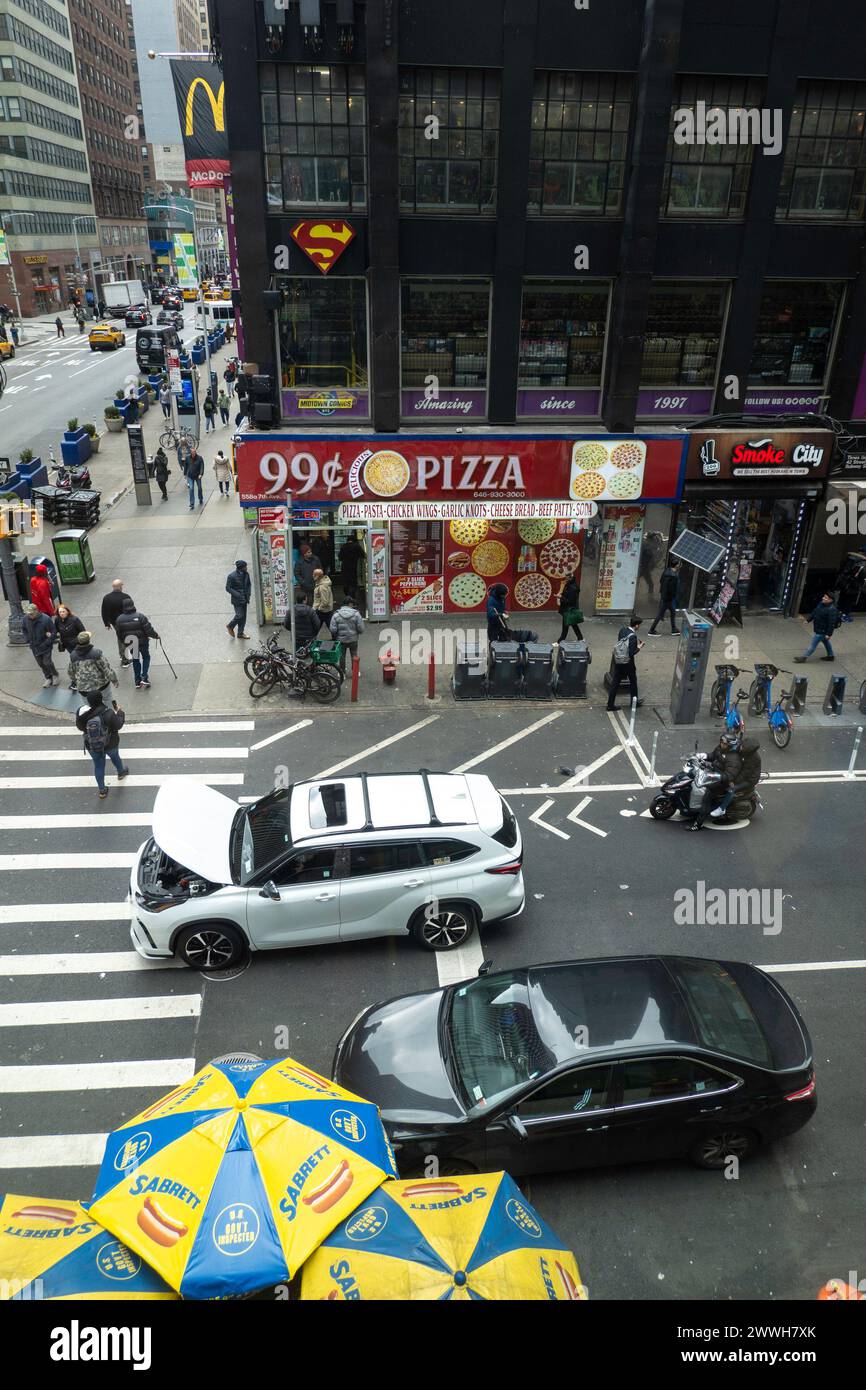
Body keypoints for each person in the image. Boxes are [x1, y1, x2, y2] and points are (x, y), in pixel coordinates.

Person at [688, 730, 756, 832]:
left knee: (706, 798)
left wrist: (714, 776)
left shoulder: (734, 759)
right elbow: (713, 755)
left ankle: (698, 824)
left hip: (720, 782)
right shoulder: (721, 748)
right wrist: (703, 756)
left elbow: (729, 776)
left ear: (729, 745)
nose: (721, 744)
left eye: (724, 743)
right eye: (721, 741)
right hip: (712, 772)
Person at [75, 688, 128, 799]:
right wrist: (120, 712)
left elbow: (80, 727)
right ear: (101, 698)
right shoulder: (108, 713)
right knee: (115, 757)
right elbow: (118, 725)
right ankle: (121, 772)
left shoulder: (82, 713)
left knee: (98, 765)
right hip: (110, 743)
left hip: (92, 745)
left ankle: (102, 790)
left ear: (88, 701)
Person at [116, 595, 159, 690]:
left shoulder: (119, 619)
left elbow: (119, 634)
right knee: (146, 657)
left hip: (131, 644)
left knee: (135, 660)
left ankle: (137, 681)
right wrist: (156, 636)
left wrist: (125, 643)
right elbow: (148, 630)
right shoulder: (140, 616)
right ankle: (144, 676)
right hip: (143, 642)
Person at [606, 615, 644, 711]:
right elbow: (631, 653)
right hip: (628, 664)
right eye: (639, 625)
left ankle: (610, 704)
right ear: (636, 625)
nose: (639, 627)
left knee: (615, 683)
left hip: (618, 660)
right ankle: (634, 702)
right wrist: (639, 647)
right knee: (633, 682)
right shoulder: (633, 637)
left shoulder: (622, 630)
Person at [70, 630, 117, 698]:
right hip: (100, 686)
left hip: (83, 689)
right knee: (107, 701)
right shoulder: (96, 653)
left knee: (89, 706)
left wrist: (78, 682)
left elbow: (71, 673)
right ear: (88, 640)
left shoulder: (73, 655)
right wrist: (114, 680)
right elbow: (106, 668)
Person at [794, 593, 839, 663]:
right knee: (826, 642)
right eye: (824, 596)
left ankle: (803, 657)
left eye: (826, 598)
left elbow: (831, 624)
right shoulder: (821, 604)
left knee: (813, 644)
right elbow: (815, 612)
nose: (823, 598)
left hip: (822, 630)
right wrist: (808, 620)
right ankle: (831, 656)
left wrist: (829, 634)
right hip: (819, 627)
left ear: (830, 600)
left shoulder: (832, 610)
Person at [22, 603, 58, 687]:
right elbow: (24, 629)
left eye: (31, 614)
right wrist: (27, 639)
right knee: (41, 663)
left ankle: (55, 675)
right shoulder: (25, 619)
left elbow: (54, 632)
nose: (29, 615)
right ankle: (48, 678)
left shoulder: (46, 619)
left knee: (47, 662)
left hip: (45, 645)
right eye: (28, 614)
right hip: (34, 646)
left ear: (36, 611)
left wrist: (47, 642)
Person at [101, 578, 134, 667]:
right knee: (124, 639)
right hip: (125, 622)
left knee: (120, 638)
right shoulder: (126, 597)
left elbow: (104, 611)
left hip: (115, 623)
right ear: (120, 586)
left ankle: (121, 655)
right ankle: (125, 660)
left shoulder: (107, 598)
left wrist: (106, 623)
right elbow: (131, 610)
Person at [330, 596, 364, 673]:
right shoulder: (356, 614)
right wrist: (357, 632)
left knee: (342, 656)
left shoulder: (336, 615)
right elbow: (361, 629)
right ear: (350, 604)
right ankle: (355, 671)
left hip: (341, 639)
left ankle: (342, 672)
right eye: (352, 604)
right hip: (353, 639)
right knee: (354, 655)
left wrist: (337, 634)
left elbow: (333, 630)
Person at [55, 602, 85, 688]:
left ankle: (75, 682)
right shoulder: (57, 620)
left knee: (75, 661)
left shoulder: (74, 619)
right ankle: (78, 679)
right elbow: (56, 630)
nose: (62, 613)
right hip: (67, 645)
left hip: (77, 645)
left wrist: (78, 641)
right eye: (60, 612)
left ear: (67, 611)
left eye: (63, 611)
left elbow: (83, 631)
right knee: (77, 661)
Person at [648, 558, 681, 635]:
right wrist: (671, 597)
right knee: (660, 614)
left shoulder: (666, 571)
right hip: (668, 598)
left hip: (664, 596)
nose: (680, 565)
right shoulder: (674, 576)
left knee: (672, 612)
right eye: (679, 564)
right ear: (677, 565)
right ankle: (651, 630)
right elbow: (672, 589)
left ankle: (673, 629)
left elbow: (661, 581)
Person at [226, 558, 251, 640]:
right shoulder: (231, 576)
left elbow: (248, 585)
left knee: (243, 617)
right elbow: (228, 588)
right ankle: (230, 626)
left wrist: (248, 594)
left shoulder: (246, 574)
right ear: (241, 567)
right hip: (237, 600)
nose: (246, 568)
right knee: (239, 615)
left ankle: (240, 633)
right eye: (245, 566)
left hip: (245, 598)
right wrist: (238, 595)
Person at [557, 571, 583, 642]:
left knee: (566, 625)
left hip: (568, 609)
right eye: (565, 578)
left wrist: (560, 597)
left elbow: (569, 600)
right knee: (573, 624)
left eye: (567, 578)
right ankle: (580, 638)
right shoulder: (569, 585)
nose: (565, 579)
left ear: (570, 578)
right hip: (570, 608)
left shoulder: (572, 587)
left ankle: (560, 641)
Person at [338, 534, 363, 600]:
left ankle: (347, 596)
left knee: (346, 582)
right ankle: (351, 597)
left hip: (344, 567)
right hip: (353, 567)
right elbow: (363, 555)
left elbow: (340, 558)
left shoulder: (343, 546)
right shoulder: (357, 546)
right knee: (353, 583)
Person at [312, 567, 334, 633]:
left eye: (314, 574)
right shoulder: (321, 583)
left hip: (322, 611)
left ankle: (311, 640)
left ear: (317, 576)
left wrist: (318, 608)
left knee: (316, 626)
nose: (312, 575)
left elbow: (325, 601)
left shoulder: (322, 586)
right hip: (326, 610)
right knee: (329, 626)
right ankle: (336, 638)